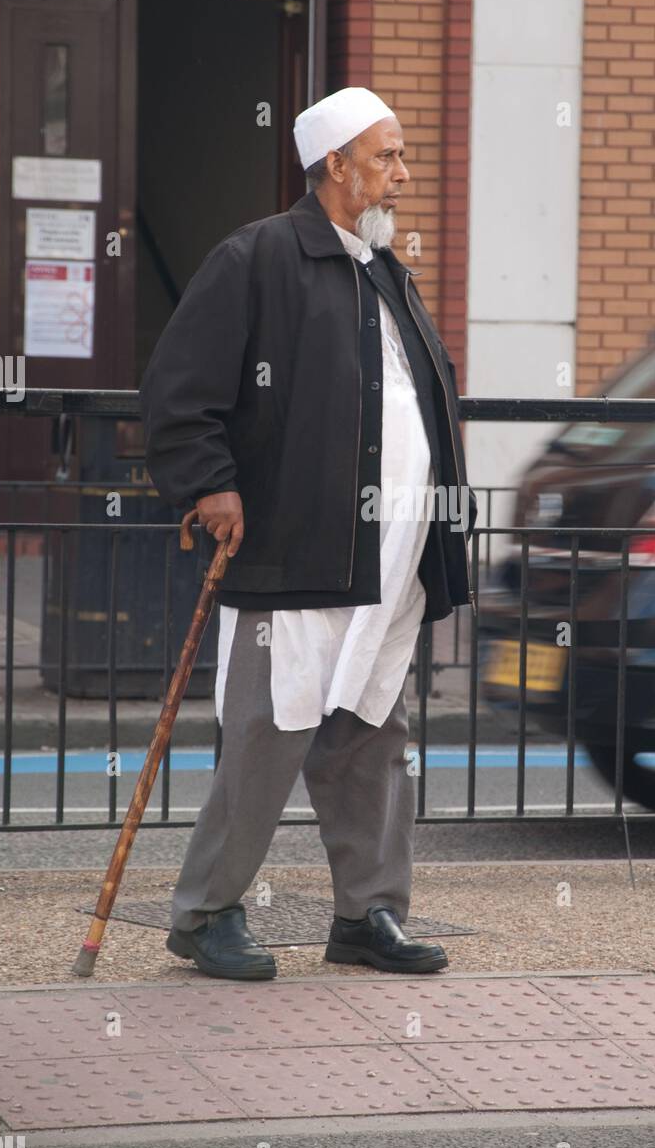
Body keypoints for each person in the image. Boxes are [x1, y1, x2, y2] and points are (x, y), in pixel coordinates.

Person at [140, 86, 477, 980]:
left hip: (392, 558)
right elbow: (178, 390)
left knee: (372, 732)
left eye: (401, 156)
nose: (402, 174)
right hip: (295, 547)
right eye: (387, 156)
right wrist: (210, 484)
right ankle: (206, 913)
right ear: (335, 164)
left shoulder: (384, 270)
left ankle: (367, 915)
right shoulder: (258, 257)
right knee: (268, 729)